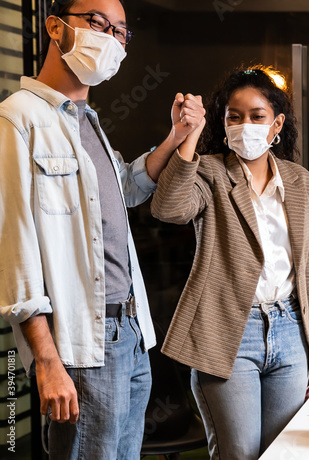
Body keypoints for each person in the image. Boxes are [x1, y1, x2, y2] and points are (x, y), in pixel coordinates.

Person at [0, 0, 204, 458]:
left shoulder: (86, 120)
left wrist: (174, 138)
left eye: (121, 32)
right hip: (83, 342)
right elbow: (14, 250)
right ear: (55, 27)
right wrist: (47, 362)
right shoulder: (18, 118)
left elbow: (127, 189)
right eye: (98, 24)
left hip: (131, 330)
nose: (111, 40)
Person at [150, 66, 309, 459]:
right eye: (234, 115)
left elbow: (307, 268)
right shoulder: (210, 171)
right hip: (229, 330)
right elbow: (168, 208)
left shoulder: (301, 181)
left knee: (285, 451)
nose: (246, 124)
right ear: (222, 122)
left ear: (276, 123)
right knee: (240, 452)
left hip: (290, 331)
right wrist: (190, 135)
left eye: (257, 116)